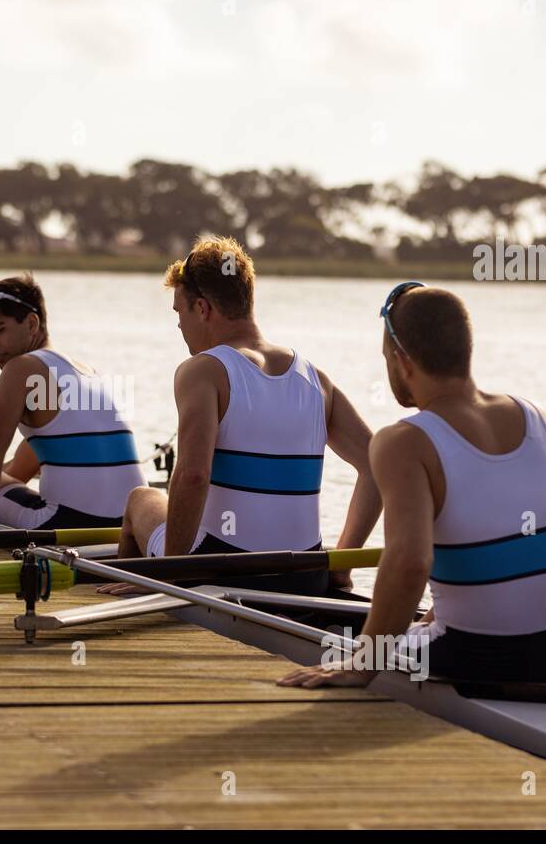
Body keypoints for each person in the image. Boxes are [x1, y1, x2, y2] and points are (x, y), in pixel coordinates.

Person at [279, 283, 546, 687]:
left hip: (477, 660)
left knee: (349, 645)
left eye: (385, 360)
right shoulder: (535, 417)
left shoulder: (403, 441)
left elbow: (409, 564)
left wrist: (362, 664)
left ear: (402, 361)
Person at [105, 235, 381, 595]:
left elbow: (192, 476)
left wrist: (170, 577)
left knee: (141, 499)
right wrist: (342, 562)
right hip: (306, 574)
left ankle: (138, 590)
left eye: (179, 312)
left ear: (202, 309)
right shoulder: (316, 379)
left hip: (223, 570)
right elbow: (378, 466)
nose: (178, 325)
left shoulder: (202, 371)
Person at [0, 273, 146, 529]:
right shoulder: (87, 371)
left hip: (66, 524)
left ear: (32, 324)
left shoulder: (21, 368)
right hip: (129, 524)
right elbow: (20, 468)